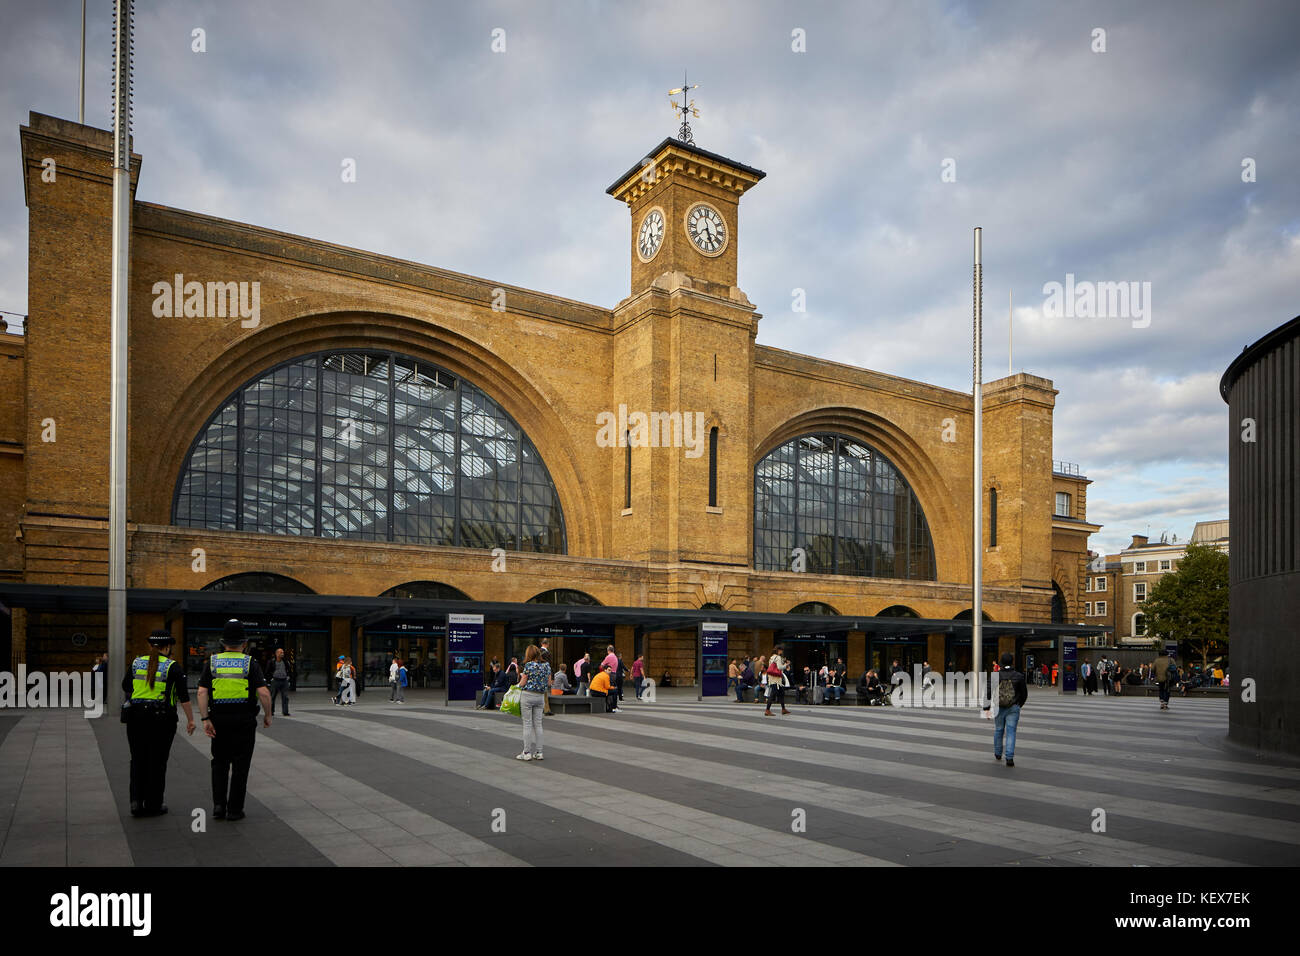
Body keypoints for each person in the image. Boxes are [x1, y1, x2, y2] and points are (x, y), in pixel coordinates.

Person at [197, 619, 271, 822]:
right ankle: (235, 810)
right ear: (244, 643)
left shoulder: (212, 662)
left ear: (223, 643)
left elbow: (202, 692)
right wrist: (268, 715)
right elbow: (263, 693)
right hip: (244, 721)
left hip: (218, 720)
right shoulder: (250, 663)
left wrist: (205, 719)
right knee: (241, 765)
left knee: (219, 763)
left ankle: (218, 806)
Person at [123, 629, 195, 817]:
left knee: (138, 759)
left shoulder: (136, 663)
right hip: (162, 720)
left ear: (150, 646)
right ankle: (154, 804)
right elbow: (184, 697)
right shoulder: (173, 667)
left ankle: (136, 803)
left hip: (136, 718)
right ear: (168, 646)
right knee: (157, 761)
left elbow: (126, 685)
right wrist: (191, 720)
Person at [985, 651, 1028, 767]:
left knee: (999, 730)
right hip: (1013, 707)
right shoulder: (1019, 676)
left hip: (998, 706)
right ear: (1012, 662)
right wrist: (1018, 705)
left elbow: (988, 692)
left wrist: (986, 708)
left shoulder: (994, 676)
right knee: (1011, 732)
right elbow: (1024, 694)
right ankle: (1009, 758)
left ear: (1001, 662)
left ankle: (998, 753)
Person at [515, 644, 551, 761]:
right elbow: (549, 683)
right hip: (540, 697)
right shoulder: (546, 666)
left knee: (527, 724)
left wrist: (515, 687)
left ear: (528, 654)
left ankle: (526, 752)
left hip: (528, 696)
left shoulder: (528, 665)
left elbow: (522, 683)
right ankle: (539, 752)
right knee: (538, 724)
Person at [764, 646, 791, 717]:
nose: (782, 652)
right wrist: (786, 665)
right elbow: (779, 667)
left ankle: (783, 709)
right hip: (776, 679)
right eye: (781, 650)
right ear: (779, 650)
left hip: (772, 678)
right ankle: (767, 710)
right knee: (773, 694)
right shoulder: (778, 657)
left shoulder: (772, 657)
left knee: (781, 693)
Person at [268, 648, 293, 715]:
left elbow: (289, 669)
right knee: (272, 697)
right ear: (276, 653)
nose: (282, 654)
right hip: (275, 680)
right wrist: (270, 679)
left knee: (285, 697)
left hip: (284, 680)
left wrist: (288, 677)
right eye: (280, 652)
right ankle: (271, 711)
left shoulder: (285, 661)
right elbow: (267, 671)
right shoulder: (272, 661)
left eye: (283, 653)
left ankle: (285, 712)